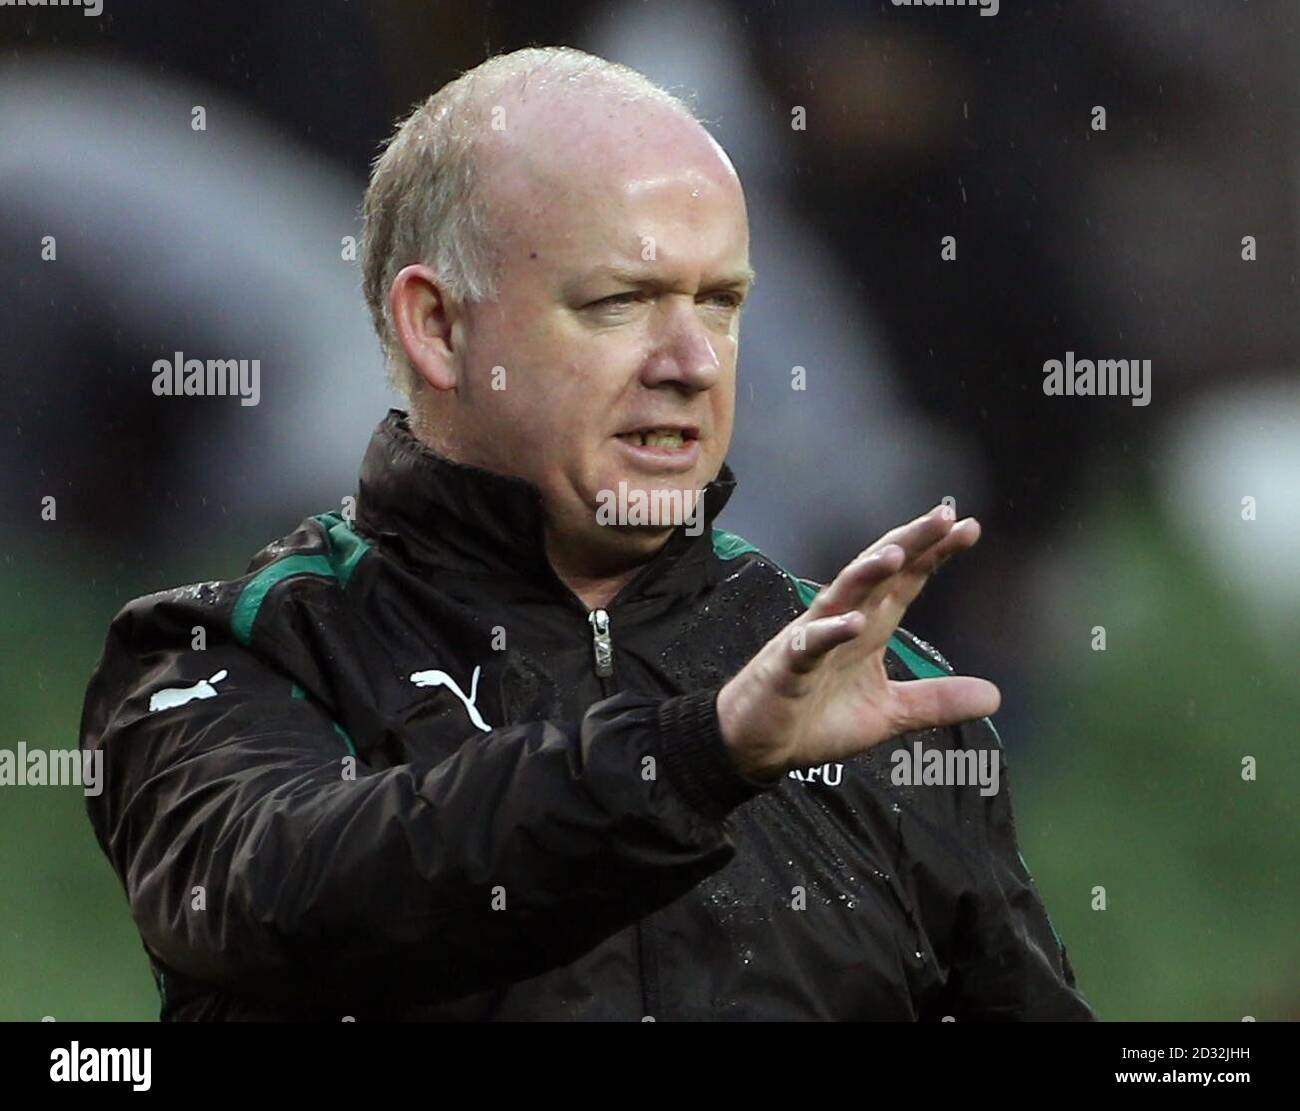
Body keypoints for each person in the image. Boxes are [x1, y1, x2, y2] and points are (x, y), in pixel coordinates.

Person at [79, 46, 1094, 1021]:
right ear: (437, 326)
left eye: (721, 303)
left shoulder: (871, 685)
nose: (693, 360)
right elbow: (284, 900)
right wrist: (694, 758)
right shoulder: (232, 653)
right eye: (621, 302)